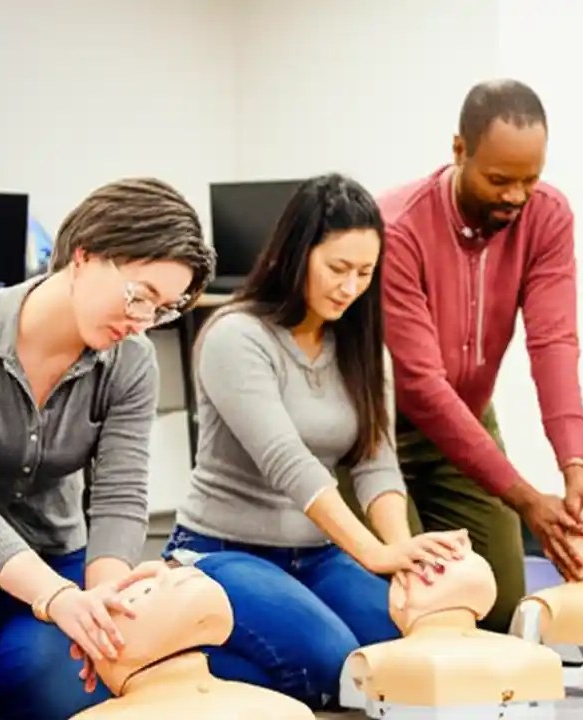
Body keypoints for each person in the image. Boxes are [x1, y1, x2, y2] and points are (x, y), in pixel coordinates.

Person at [162, 174, 464, 710]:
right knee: (335, 662)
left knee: (399, 645)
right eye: (338, 268)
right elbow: (288, 463)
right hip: (223, 550)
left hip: (317, 556)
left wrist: (401, 558)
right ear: (295, 254)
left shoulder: (362, 347)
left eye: (364, 273)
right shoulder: (236, 336)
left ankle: (215, 648)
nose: (350, 287)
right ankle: (172, 648)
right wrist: (372, 552)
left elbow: (376, 463)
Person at [376, 78, 583, 633]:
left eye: (530, 179)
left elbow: (553, 343)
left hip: (466, 421)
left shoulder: (547, 216)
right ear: (459, 150)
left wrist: (575, 468)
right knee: (416, 603)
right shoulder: (398, 227)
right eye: (499, 180)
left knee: (497, 606)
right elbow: (421, 386)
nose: (516, 196)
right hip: (375, 434)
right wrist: (525, 499)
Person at [0, 178, 216, 720]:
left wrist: (102, 606)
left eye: (162, 310)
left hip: (58, 555)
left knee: (61, 687)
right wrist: (57, 599)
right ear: (83, 255)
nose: (142, 322)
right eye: (139, 296)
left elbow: (119, 495)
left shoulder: (131, 360)